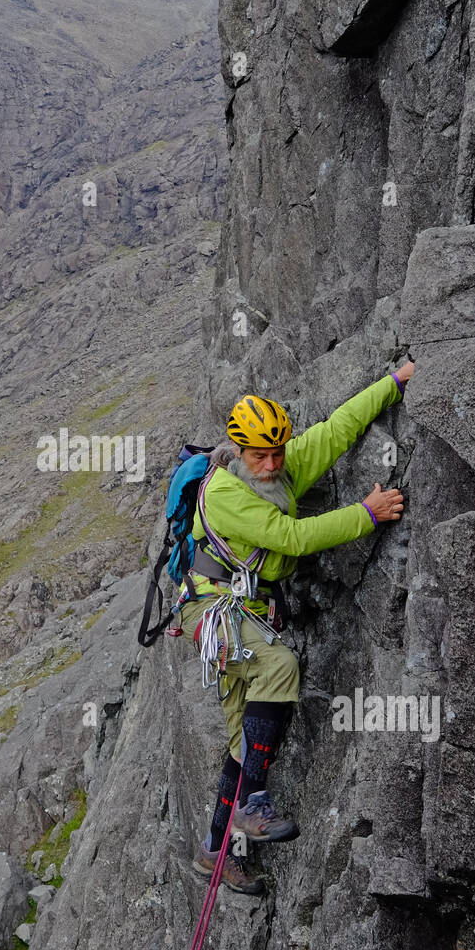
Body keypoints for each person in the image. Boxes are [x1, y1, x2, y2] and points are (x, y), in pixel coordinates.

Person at [184, 361, 415, 894]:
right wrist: (368, 512)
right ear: (237, 452)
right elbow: (292, 538)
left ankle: (214, 852)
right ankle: (252, 803)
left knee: (244, 740)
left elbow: (336, 430)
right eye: (259, 455)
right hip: (214, 612)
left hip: (239, 610)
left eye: (277, 452)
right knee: (280, 666)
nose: (270, 464)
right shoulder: (225, 493)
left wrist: (394, 383)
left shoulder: (279, 469)